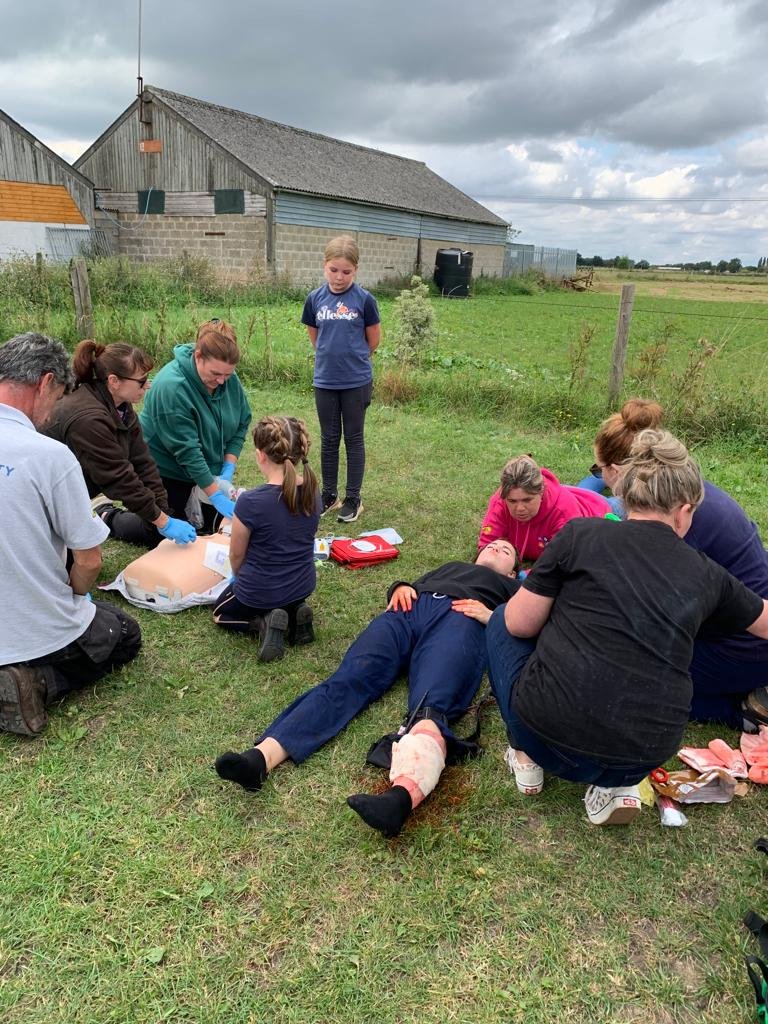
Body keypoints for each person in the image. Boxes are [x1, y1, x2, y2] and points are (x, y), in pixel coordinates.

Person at [486, 430, 768, 826]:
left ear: (625, 497)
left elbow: (519, 623)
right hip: (643, 757)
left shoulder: (579, 535)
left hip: (546, 736)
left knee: (501, 620)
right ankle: (616, 785)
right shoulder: (708, 574)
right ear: (685, 511)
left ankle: (524, 754)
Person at [214, 539, 521, 838]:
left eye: (506, 550)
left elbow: (529, 627)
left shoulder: (515, 590)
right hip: (409, 612)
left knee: (431, 706)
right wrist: (401, 587)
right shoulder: (453, 566)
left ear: (511, 573)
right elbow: (414, 583)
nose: (496, 547)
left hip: (461, 621)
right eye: (491, 545)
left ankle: (400, 797)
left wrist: (493, 618)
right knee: (348, 679)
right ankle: (259, 759)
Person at [590, 398, 768, 729]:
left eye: (597, 469)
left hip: (746, 643)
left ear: (615, 470)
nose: (598, 477)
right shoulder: (681, 491)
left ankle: (741, 711)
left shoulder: (672, 521)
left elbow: (655, 607)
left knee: (637, 682)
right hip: (749, 618)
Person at [0, 333, 142, 737]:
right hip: (25, 631)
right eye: (58, 394)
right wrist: (77, 593)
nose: (54, 409)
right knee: (123, 634)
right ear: (45, 383)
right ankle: (36, 683)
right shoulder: (48, 455)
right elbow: (89, 560)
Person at [44, 339, 196, 549]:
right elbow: (117, 477)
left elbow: (142, 461)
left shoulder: (121, 405)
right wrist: (163, 521)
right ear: (114, 381)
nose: (147, 386)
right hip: (46, 497)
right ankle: (102, 515)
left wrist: (164, 512)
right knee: (79, 565)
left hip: (73, 488)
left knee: (153, 528)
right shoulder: (89, 419)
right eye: (141, 381)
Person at [213, 416, 320, 662]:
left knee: (221, 614)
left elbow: (237, 555)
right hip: (303, 585)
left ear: (261, 455)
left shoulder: (250, 501)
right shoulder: (313, 490)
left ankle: (265, 621)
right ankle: (294, 613)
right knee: (284, 597)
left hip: (259, 591)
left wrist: (239, 580)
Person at [139, 319, 252, 533]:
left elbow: (242, 422)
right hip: (166, 470)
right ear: (198, 357)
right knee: (163, 534)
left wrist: (228, 467)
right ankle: (109, 515)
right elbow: (187, 451)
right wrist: (215, 494)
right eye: (216, 374)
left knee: (213, 528)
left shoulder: (228, 378)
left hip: (206, 469)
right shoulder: (172, 388)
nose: (222, 381)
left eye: (227, 375)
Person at [302, 236, 381, 524]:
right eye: (334, 270)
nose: (339, 277)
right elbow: (316, 337)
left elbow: (373, 340)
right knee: (329, 439)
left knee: (354, 439)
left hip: (356, 382)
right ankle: (329, 495)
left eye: (346, 272)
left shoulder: (365, 300)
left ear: (355, 271)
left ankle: (353, 498)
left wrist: (353, 360)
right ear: (325, 267)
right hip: (325, 381)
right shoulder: (314, 299)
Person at [478, 454, 611, 562]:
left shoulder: (564, 514)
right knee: (582, 490)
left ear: (541, 492)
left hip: (596, 507)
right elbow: (485, 548)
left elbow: (561, 564)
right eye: (512, 501)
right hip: (568, 495)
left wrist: (520, 576)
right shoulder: (500, 501)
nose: (519, 508)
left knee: (625, 500)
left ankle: (607, 475)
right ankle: (599, 477)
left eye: (527, 500)